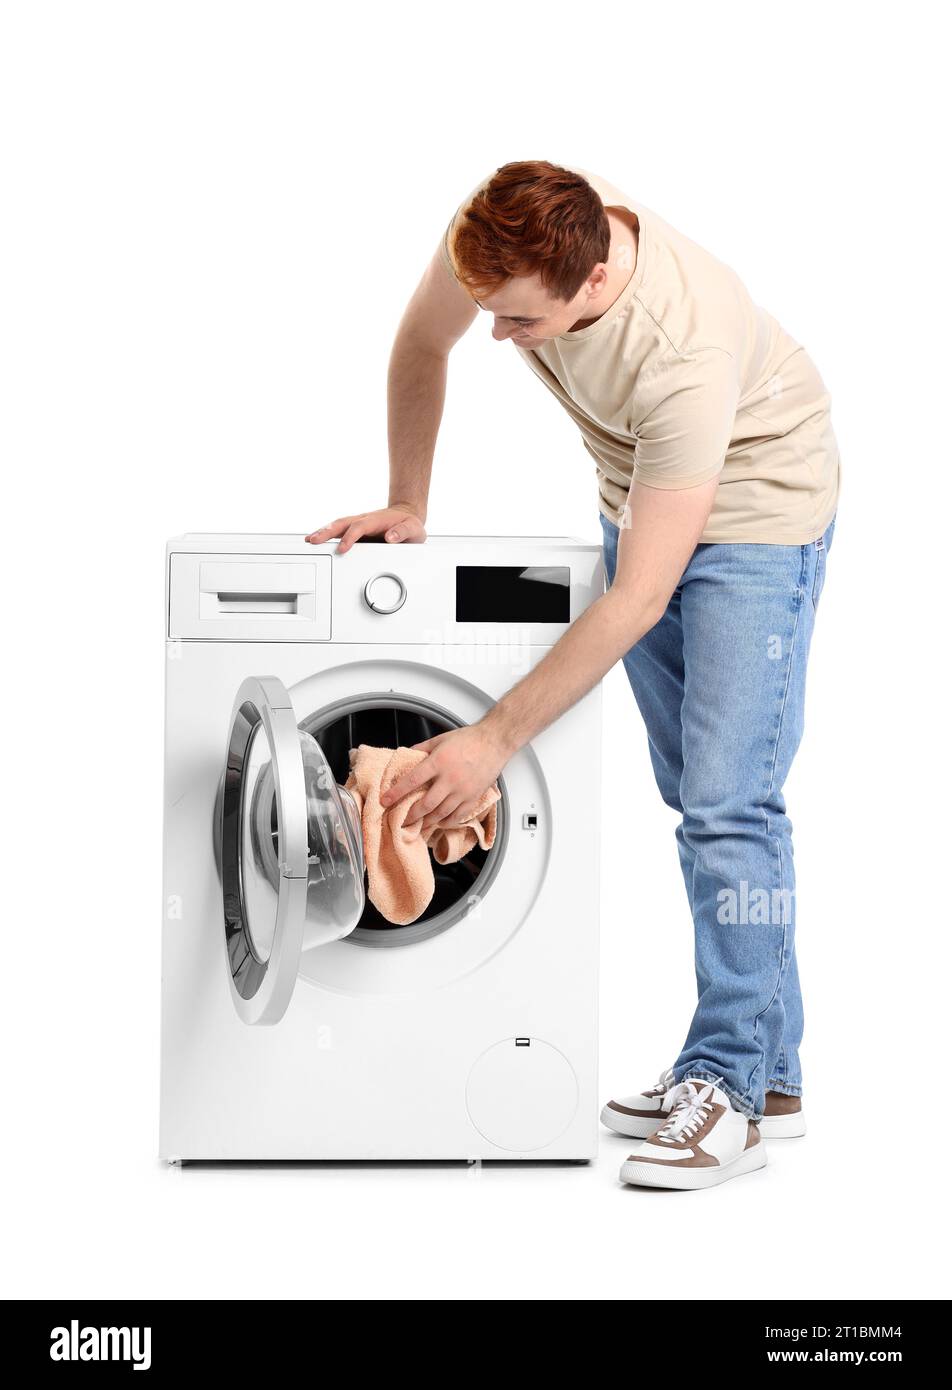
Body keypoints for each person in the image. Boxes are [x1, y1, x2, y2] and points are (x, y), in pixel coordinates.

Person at [306, 161, 839, 1190]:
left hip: (756, 511)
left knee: (729, 805)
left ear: (592, 286)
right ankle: (770, 1072)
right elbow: (424, 341)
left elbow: (634, 598)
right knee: (694, 793)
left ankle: (727, 1085)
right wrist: (406, 499)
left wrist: (491, 739)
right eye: (494, 314)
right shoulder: (503, 231)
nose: (500, 338)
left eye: (519, 324)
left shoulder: (682, 352)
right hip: (645, 490)